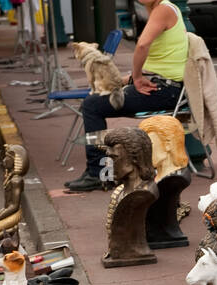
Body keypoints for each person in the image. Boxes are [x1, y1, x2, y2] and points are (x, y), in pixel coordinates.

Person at [66, 0, 188, 193]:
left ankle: (97, 173)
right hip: (161, 85)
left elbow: (142, 45)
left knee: (92, 105)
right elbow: (160, 62)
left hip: (163, 90)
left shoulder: (163, 9)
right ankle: (99, 171)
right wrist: (125, 80)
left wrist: (137, 77)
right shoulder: (158, 9)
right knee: (94, 100)